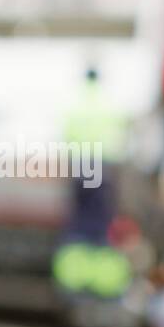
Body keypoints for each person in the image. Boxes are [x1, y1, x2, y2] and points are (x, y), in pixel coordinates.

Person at [53, 67, 131, 297]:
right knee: (99, 225)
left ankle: (74, 278)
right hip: (101, 165)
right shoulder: (108, 102)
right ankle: (104, 283)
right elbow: (119, 136)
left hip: (81, 164)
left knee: (79, 224)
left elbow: (66, 133)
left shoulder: (76, 101)